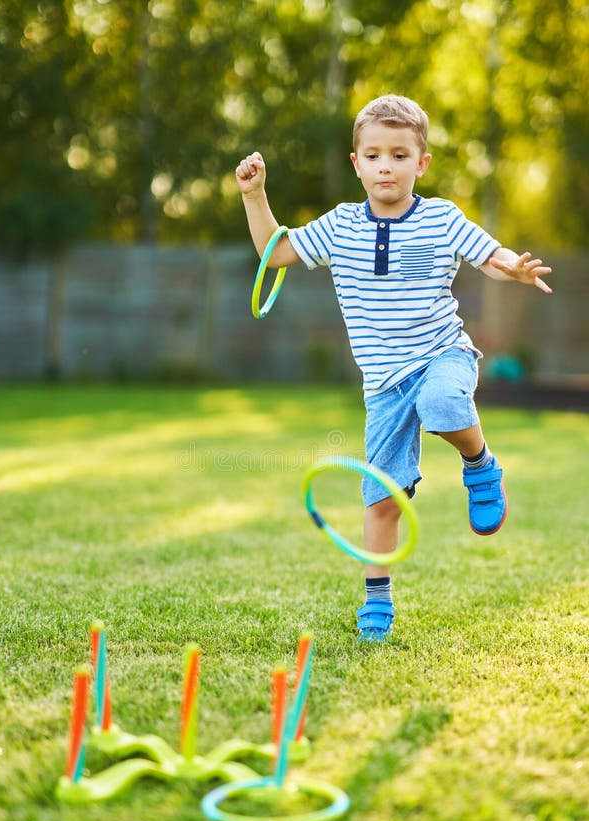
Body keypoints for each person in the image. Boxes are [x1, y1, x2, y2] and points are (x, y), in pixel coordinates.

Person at [235, 94, 552, 643]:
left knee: (442, 404)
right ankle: (376, 603)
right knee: (382, 499)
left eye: (400, 155)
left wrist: (514, 269)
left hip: (441, 355)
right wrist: (255, 194)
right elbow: (275, 254)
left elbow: (491, 255)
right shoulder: (339, 227)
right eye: (375, 155)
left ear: (421, 163)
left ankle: (480, 465)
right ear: (357, 163)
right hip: (381, 385)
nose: (387, 165)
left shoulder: (440, 218)